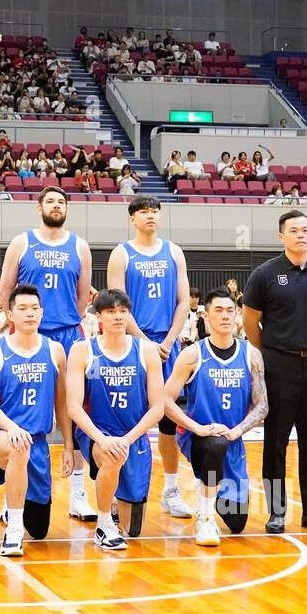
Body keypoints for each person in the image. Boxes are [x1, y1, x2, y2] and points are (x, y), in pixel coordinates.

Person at [241, 210, 307, 534]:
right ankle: (276, 512)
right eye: (294, 230)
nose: (300, 235)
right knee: (276, 443)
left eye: (305, 230)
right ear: (281, 236)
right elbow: (249, 320)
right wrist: (268, 352)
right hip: (278, 365)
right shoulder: (265, 274)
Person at [0, 186, 95, 521]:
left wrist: (64, 319)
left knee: (78, 412)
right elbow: (6, 292)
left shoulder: (80, 246)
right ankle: (11, 493)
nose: (57, 205)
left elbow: (83, 298)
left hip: (68, 334)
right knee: (16, 411)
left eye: (62, 201)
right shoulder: (21, 243)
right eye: (51, 201)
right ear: (38, 208)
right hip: (27, 334)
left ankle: (79, 495)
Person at [105, 194, 194, 520]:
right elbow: (117, 305)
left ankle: (171, 490)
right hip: (132, 347)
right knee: (127, 422)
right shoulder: (121, 254)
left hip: (168, 347)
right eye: (144, 212)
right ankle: (116, 494)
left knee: (169, 422)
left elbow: (184, 301)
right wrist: (144, 342)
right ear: (133, 218)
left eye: (155, 211)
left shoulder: (174, 251)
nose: (151, 216)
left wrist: (169, 341)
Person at [66, 289, 171, 549]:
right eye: (111, 312)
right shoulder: (82, 350)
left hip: (132, 434)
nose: (118, 317)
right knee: (112, 455)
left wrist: (126, 439)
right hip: (97, 432)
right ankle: (103, 525)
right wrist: (102, 440)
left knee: (133, 529)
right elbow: (73, 407)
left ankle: (112, 502)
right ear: (99, 316)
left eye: (123, 311)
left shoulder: (146, 351)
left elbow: (158, 407)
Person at [165, 288, 267, 546]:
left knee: (237, 523)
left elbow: (262, 406)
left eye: (230, 310)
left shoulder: (250, 354)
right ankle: (206, 518)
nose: (225, 316)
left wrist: (237, 431)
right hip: (199, 438)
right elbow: (164, 401)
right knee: (215, 445)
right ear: (206, 316)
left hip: (232, 441)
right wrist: (197, 429)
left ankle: (208, 496)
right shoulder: (193, 355)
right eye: (218, 311)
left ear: (237, 315)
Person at [0, 283, 73, 557]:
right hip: (1, 432)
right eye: (22, 309)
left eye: (34, 309)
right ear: (10, 315)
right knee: (19, 446)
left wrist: (67, 446)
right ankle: (14, 530)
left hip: (39, 441)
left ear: (42, 313)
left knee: (40, 529)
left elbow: (62, 403)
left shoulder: (55, 351)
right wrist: (13, 428)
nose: (29, 314)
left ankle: (15, 507)